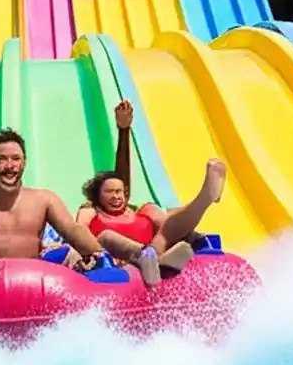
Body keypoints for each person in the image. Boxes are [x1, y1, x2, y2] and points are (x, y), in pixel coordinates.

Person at [76, 99, 226, 286]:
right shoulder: (93, 211)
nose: (116, 196)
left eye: (120, 192)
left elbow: (167, 227)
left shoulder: (141, 211)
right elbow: (79, 228)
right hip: (117, 263)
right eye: (109, 192)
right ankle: (146, 258)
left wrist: (189, 235)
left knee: (164, 218)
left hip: (155, 256)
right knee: (106, 236)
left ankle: (205, 198)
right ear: (97, 195)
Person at [0, 129, 107, 275]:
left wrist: (101, 256)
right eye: (1, 159)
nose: (9, 165)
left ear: (24, 163)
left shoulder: (44, 199)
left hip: (34, 276)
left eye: (16, 159)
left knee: (68, 252)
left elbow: (72, 230)